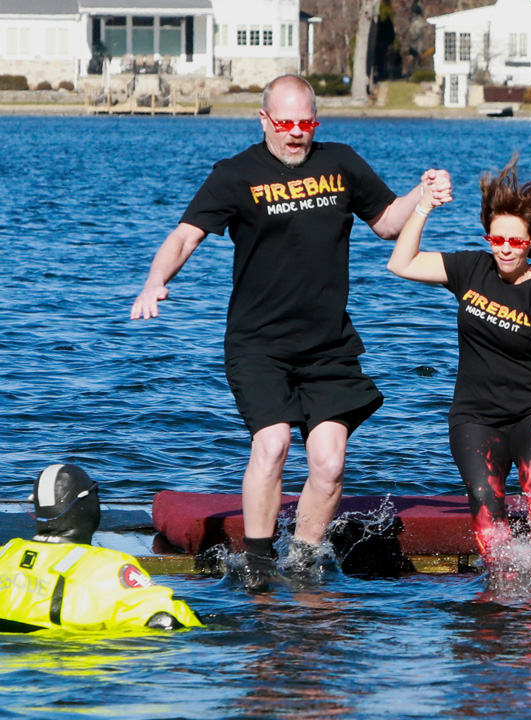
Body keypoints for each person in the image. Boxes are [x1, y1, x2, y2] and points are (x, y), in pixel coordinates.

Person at [130, 74, 452, 591]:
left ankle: (303, 561)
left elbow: (388, 224)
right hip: (258, 345)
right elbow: (185, 235)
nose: (298, 133)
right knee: (274, 443)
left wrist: (424, 193)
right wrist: (154, 281)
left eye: (307, 122)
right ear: (265, 121)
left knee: (328, 460)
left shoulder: (340, 163)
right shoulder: (236, 175)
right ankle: (256, 565)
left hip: (327, 344)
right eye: (287, 124)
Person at [387, 155, 531, 572]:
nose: (505, 249)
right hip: (475, 417)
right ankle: (504, 581)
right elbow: (401, 263)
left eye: (515, 242)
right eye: (496, 239)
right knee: (486, 496)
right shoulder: (472, 268)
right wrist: (424, 207)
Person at [0, 464, 202, 633]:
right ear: (88, 501)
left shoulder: (6, 554)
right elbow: (165, 620)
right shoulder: (106, 568)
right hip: (77, 669)